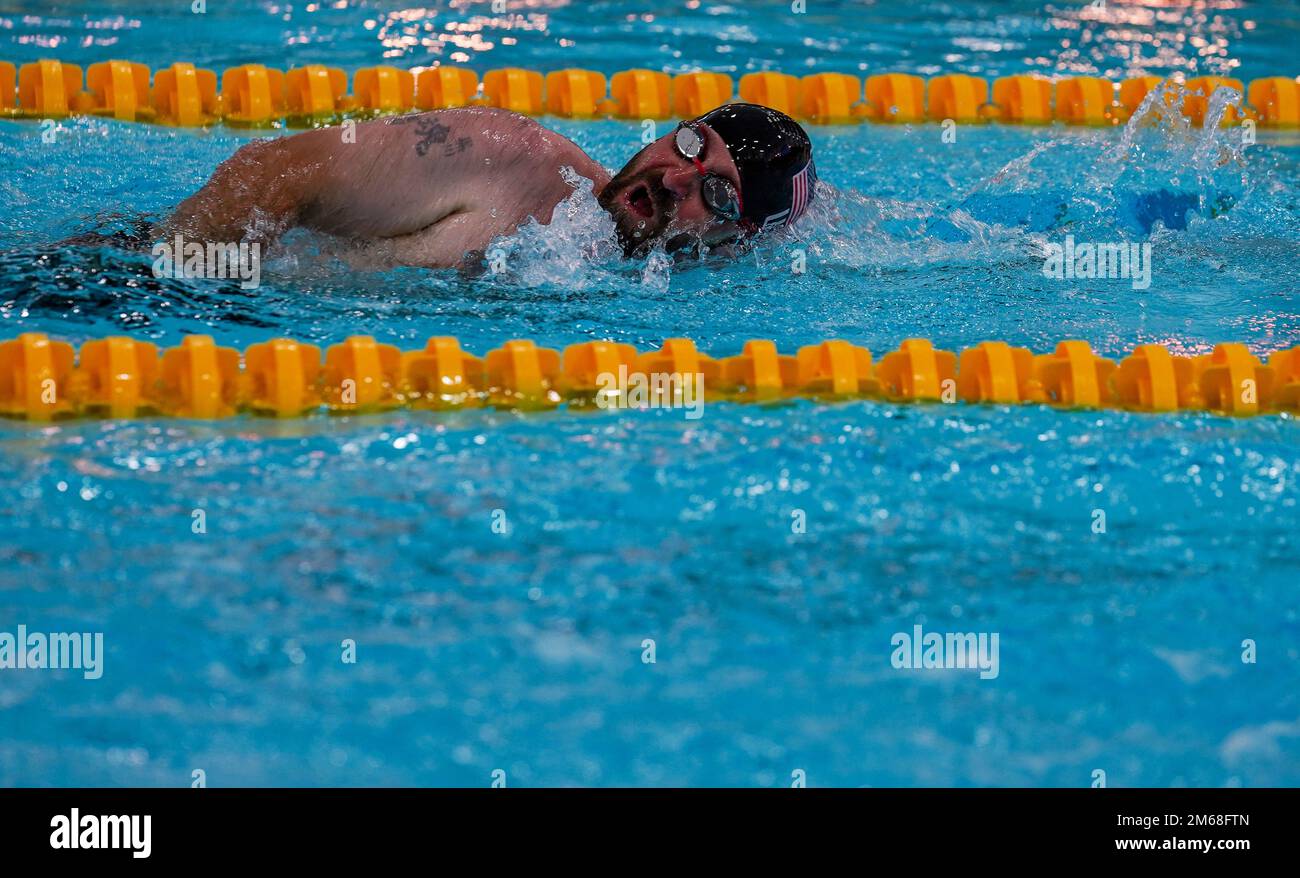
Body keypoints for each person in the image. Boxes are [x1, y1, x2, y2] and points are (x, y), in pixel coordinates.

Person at [166, 102, 817, 267]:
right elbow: (277, 170)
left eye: (718, 194)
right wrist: (181, 281)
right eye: (689, 145)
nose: (677, 179)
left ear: (735, 240)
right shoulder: (512, 162)